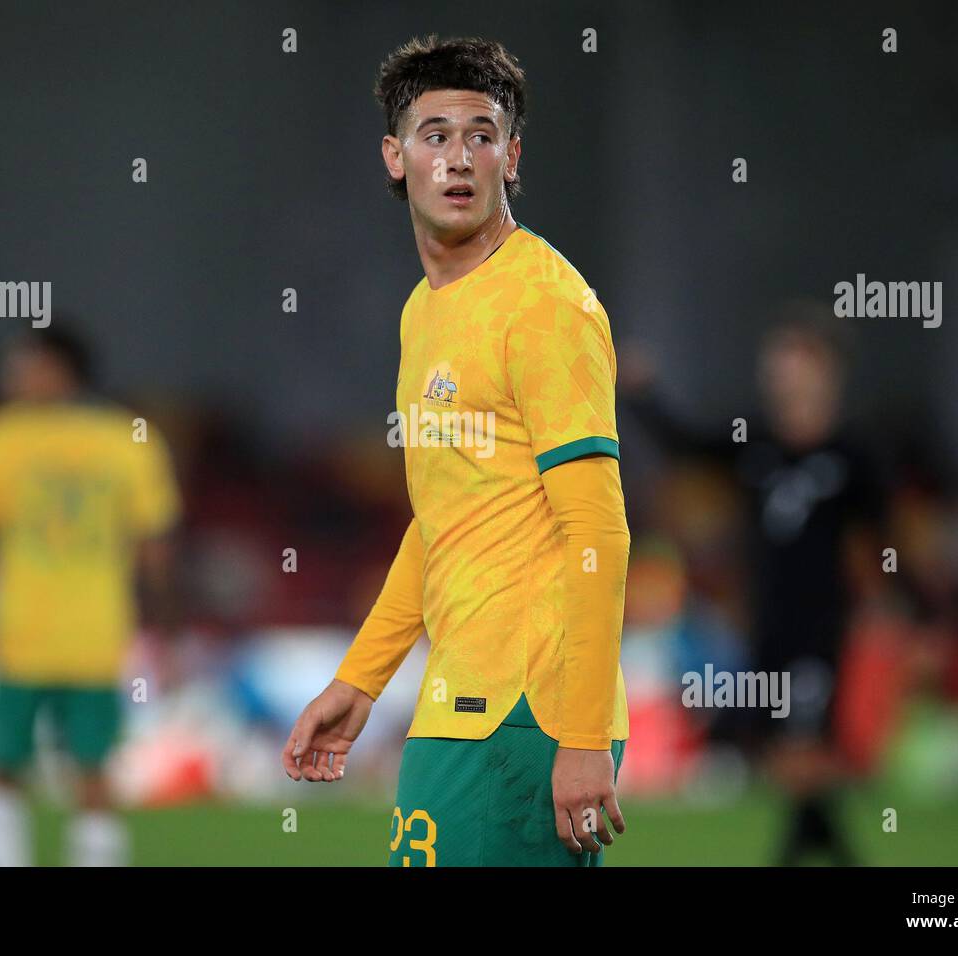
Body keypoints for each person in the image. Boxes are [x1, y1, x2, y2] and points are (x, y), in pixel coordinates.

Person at [281, 35, 631, 867]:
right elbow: (441, 523)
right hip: (459, 701)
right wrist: (361, 679)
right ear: (395, 157)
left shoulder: (548, 306)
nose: (459, 157)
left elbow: (600, 535)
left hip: (528, 714)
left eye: (482, 134)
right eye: (434, 135)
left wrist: (579, 737)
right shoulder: (422, 311)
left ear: (512, 157)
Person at [621, 302, 886, 865]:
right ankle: (829, 849)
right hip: (766, 620)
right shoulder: (755, 442)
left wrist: (904, 605)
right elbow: (686, 445)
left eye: (789, 361)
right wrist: (642, 393)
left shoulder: (852, 453)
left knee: (803, 748)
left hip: (820, 623)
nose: (776, 373)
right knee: (776, 750)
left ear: (823, 370)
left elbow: (882, 540)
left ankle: (797, 855)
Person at [0, 327, 180, 866]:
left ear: (62, 370)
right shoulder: (128, 438)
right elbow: (155, 544)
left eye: (25, 366)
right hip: (81, 633)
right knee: (85, 767)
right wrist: (166, 622)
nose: (13, 378)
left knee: (19, 765)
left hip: (33, 632)